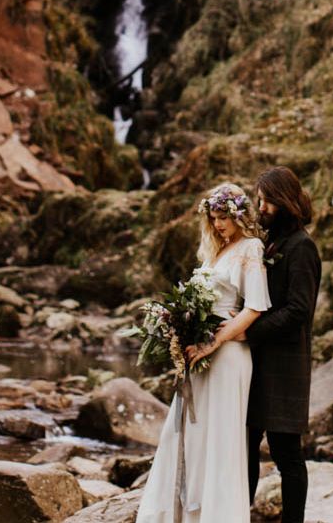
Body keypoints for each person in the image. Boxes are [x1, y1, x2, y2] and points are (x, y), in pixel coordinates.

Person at [136, 183, 270, 523]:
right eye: (214, 218)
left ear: (239, 215)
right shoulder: (218, 251)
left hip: (227, 357)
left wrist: (216, 340)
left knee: (220, 438)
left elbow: (254, 307)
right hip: (201, 356)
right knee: (189, 433)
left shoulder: (251, 248)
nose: (219, 224)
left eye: (224, 217)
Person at [246, 166, 322, 523]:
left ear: (283, 200)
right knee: (245, 444)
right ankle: (236, 513)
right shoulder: (270, 242)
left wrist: (248, 330)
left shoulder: (302, 247)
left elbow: (298, 311)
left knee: (286, 453)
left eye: (266, 200)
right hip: (258, 363)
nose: (260, 207)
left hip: (285, 364)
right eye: (259, 199)